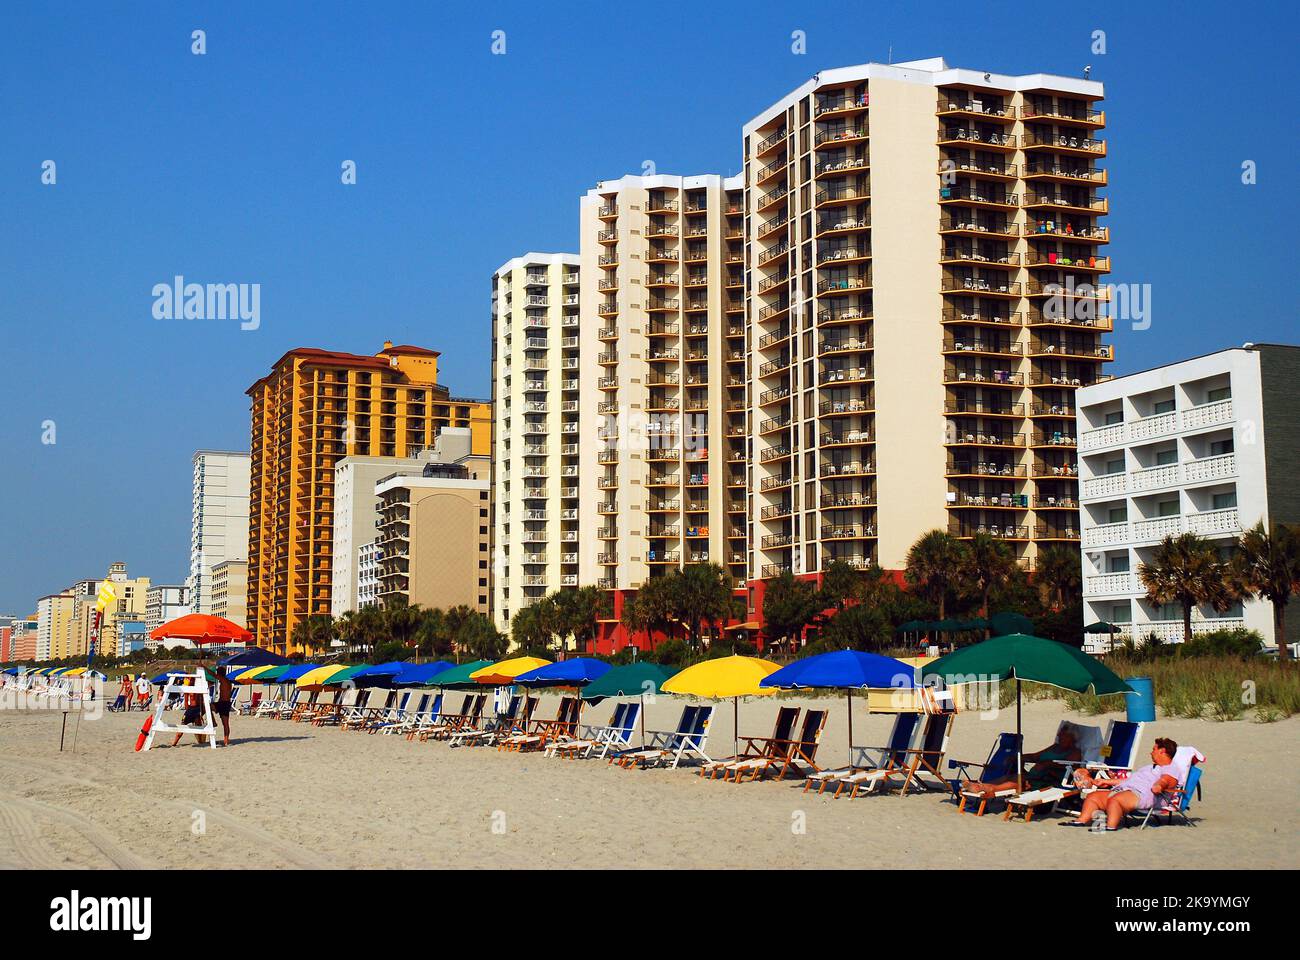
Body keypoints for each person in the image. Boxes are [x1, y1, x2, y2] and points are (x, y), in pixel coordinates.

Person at [1063, 737, 1180, 831]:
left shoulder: (1170, 768)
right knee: (1093, 797)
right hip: (1126, 790)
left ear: (1162, 751)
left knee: (1116, 800)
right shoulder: (1148, 767)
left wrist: (1159, 785)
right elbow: (1128, 781)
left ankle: (1111, 826)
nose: (1151, 752)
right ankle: (1081, 820)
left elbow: (1166, 780)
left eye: (1154, 749)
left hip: (1144, 795)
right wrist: (1104, 781)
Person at [962, 723, 1082, 796]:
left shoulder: (1074, 752)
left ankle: (987, 788)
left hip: (1048, 781)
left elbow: (1073, 769)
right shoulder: (1055, 747)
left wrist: (1047, 764)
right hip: (1035, 776)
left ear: (1072, 737)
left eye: (1063, 735)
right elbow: (1035, 757)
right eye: (1059, 734)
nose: (1059, 737)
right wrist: (1018, 757)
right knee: (1008, 777)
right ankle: (983, 786)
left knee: (1017, 781)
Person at [213, 666, 233, 747]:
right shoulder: (225, 681)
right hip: (221, 703)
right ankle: (213, 722)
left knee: (225, 724)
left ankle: (226, 740)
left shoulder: (224, 680)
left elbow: (213, 675)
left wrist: (204, 667)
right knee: (208, 706)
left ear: (220, 674)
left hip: (225, 704)